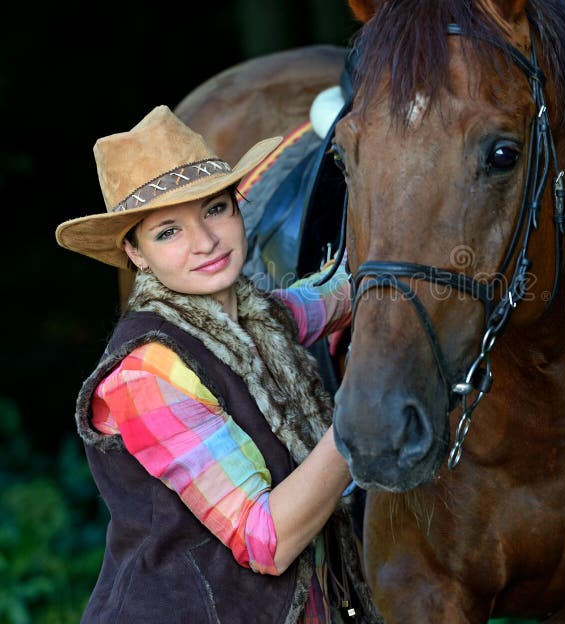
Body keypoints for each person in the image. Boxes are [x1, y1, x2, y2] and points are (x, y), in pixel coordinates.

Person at [55, 106, 381, 624]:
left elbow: (342, 295)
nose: (205, 242)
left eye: (215, 209)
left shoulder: (255, 320)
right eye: (167, 232)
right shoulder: (148, 374)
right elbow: (265, 541)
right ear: (135, 253)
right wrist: (361, 416)